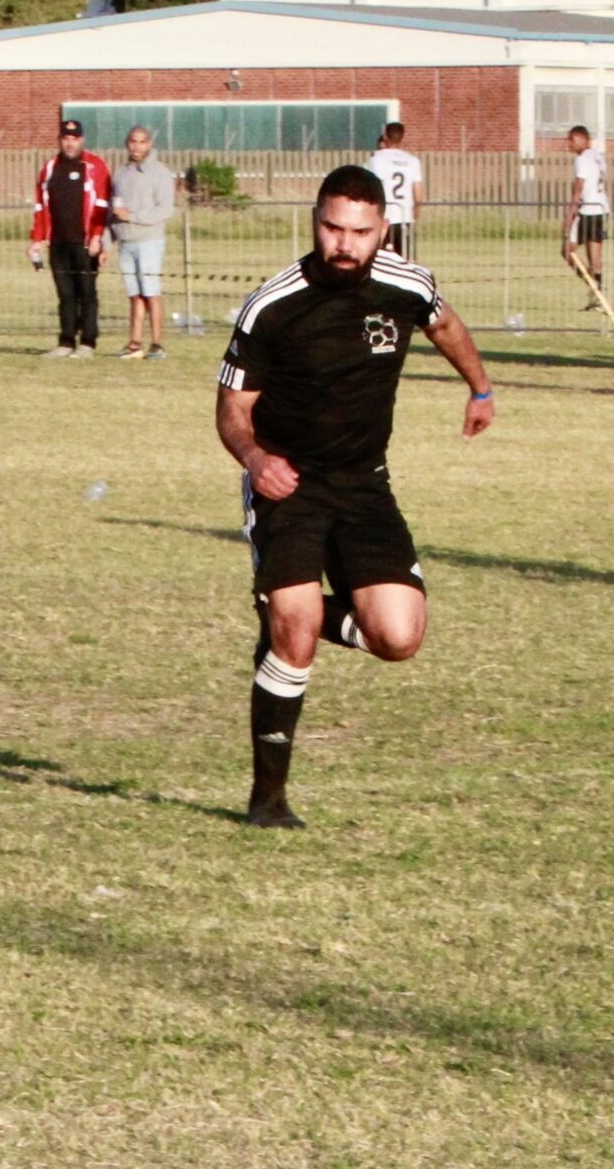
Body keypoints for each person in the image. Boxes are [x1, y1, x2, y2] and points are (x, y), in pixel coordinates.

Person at [216, 165, 495, 830]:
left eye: (359, 232)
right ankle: (268, 800)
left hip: (365, 483)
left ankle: (288, 612)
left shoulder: (409, 284)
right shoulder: (272, 305)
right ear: (315, 221)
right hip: (289, 485)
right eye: (332, 228)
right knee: (297, 637)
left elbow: (446, 325)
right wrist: (256, 460)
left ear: (384, 231)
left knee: (398, 638)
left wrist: (480, 389)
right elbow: (232, 411)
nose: (344, 244)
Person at [29, 118, 110, 358]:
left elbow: (102, 204)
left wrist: (97, 236)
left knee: (86, 292)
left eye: (74, 139)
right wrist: (37, 238)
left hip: (85, 242)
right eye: (66, 138)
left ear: (82, 140)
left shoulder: (94, 166)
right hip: (59, 242)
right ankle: (66, 342)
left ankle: (88, 341)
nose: (70, 143)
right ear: (60, 140)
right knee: (64, 294)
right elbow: (40, 205)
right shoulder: (51, 167)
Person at [109, 125, 175, 360]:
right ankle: (134, 343)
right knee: (134, 294)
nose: (137, 146)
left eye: (142, 142)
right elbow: (113, 211)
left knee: (151, 293)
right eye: (133, 142)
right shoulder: (120, 174)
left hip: (149, 241)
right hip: (126, 242)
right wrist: (108, 241)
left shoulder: (160, 173)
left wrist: (134, 217)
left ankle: (157, 344)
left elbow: (165, 210)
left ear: (149, 144)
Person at [562, 125, 609, 309]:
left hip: (588, 211)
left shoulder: (582, 159)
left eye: (572, 140)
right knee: (595, 260)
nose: (569, 144)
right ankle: (597, 294)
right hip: (601, 209)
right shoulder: (598, 157)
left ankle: (594, 287)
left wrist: (569, 217)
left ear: (584, 139)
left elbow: (578, 189)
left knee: (568, 251)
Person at [365, 122, 424, 259]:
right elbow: (418, 192)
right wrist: (415, 213)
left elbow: (374, 187)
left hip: (385, 217)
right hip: (405, 217)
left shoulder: (376, 159)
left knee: (383, 260)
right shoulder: (413, 161)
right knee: (406, 260)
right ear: (402, 137)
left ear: (385, 136)